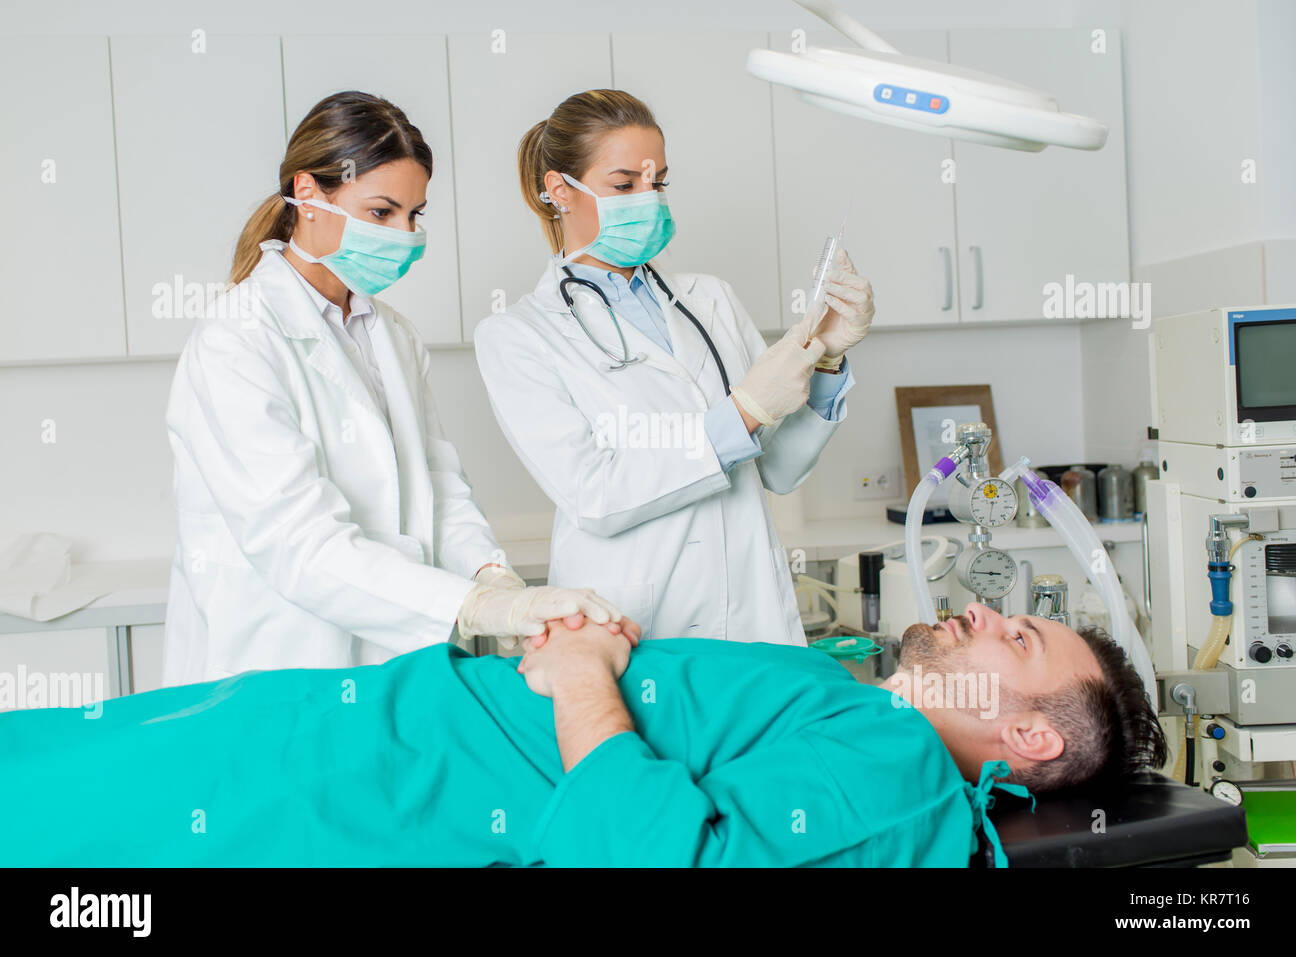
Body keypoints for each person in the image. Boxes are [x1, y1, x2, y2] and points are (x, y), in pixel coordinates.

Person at [0, 603, 1165, 867]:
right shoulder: (871, 705)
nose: (984, 611)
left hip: (368, 792)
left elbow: (660, 862)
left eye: (1015, 639)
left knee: (51, 811)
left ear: (1028, 743)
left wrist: (580, 679)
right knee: (49, 755)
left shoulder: (900, 772)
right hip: (350, 729)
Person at [162, 91, 634, 685]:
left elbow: (439, 485)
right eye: (382, 212)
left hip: (394, 664)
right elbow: (296, 543)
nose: (405, 234)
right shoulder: (237, 340)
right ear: (307, 194)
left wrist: (492, 576)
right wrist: (470, 607)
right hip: (283, 662)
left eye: (415, 214)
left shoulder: (391, 335)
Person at [474, 90, 874, 645]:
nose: (648, 199)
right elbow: (596, 495)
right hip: (628, 627)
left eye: (657, 182)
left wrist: (826, 362)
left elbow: (777, 470)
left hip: (752, 626)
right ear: (560, 191)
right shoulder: (517, 335)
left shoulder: (710, 300)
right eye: (624, 185)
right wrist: (742, 413)